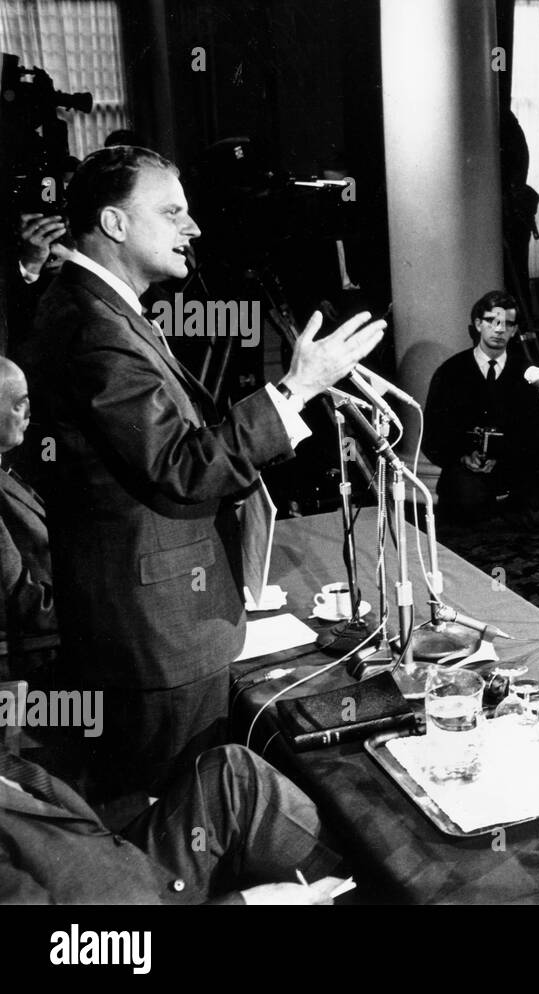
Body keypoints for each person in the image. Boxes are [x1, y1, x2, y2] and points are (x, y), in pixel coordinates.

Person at [26, 145, 385, 806]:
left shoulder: (99, 306)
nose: (193, 228)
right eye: (172, 212)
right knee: (171, 811)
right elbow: (184, 463)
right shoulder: (93, 325)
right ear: (114, 224)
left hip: (150, 621)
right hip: (154, 637)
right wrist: (297, 389)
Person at [0, 743, 347, 904]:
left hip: (107, 863)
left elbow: (46, 813)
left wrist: (136, 805)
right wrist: (249, 903)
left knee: (229, 772)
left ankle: (340, 885)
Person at [422, 291, 539, 520]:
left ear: (514, 331)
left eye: (508, 324)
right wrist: (463, 457)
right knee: (466, 498)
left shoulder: (528, 373)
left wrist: (504, 459)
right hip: (466, 474)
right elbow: (433, 434)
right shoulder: (450, 372)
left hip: (513, 470)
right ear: (478, 324)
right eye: (493, 321)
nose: (500, 329)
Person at [0, 359, 56, 683]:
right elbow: (17, 598)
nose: (28, 415)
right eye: (19, 404)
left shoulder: (7, 469)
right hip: (32, 669)